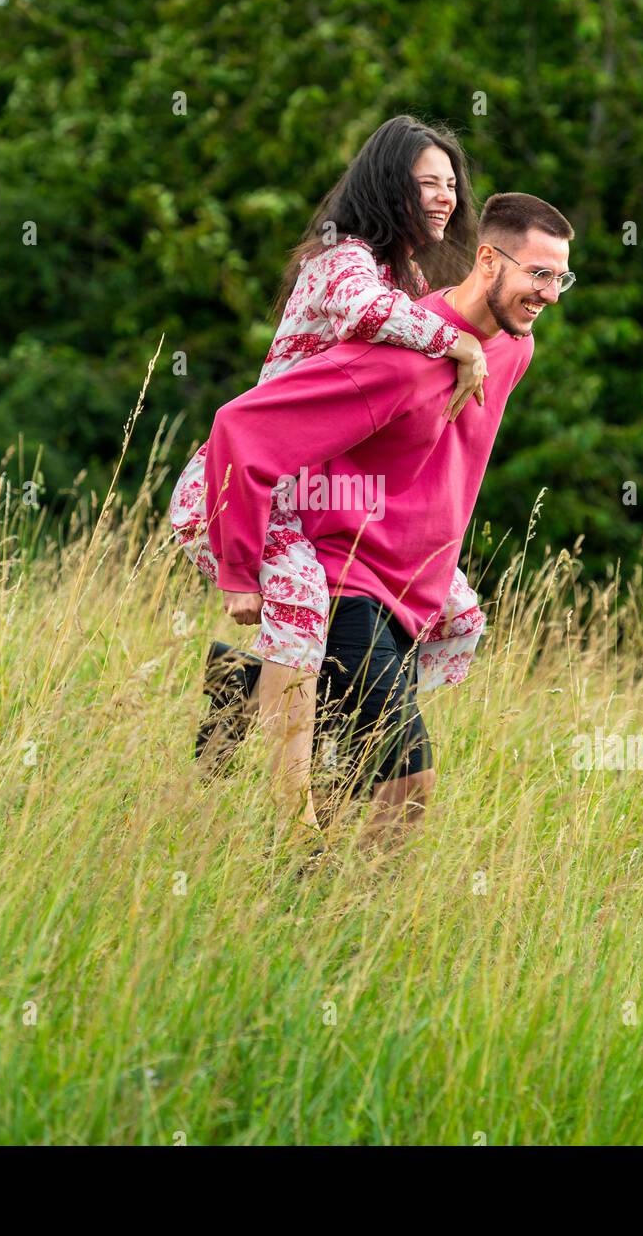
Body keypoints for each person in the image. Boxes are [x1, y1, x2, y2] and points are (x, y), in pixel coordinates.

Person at [201, 193, 576, 852]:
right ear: (488, 259)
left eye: (560, 277)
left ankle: (243, 687)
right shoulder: (399, 353)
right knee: (410, 780)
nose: (549, 292)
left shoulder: (516, 349)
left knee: (343, 778)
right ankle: (352, 924)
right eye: (537, 274)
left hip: (414, 594)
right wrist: (240, 570)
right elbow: (244, 427)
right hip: (351, 580)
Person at [170, 116, 490, 791]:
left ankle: (253, 684)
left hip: (307, 496)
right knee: (305, 598)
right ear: (387, 186)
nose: (447, 198)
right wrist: (457, 343)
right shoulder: (342, 260)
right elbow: (364, 314)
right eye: (429, 183)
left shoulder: (389, 274)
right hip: (240, 487)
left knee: (455, 611)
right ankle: (296, 822)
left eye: (452, 185)